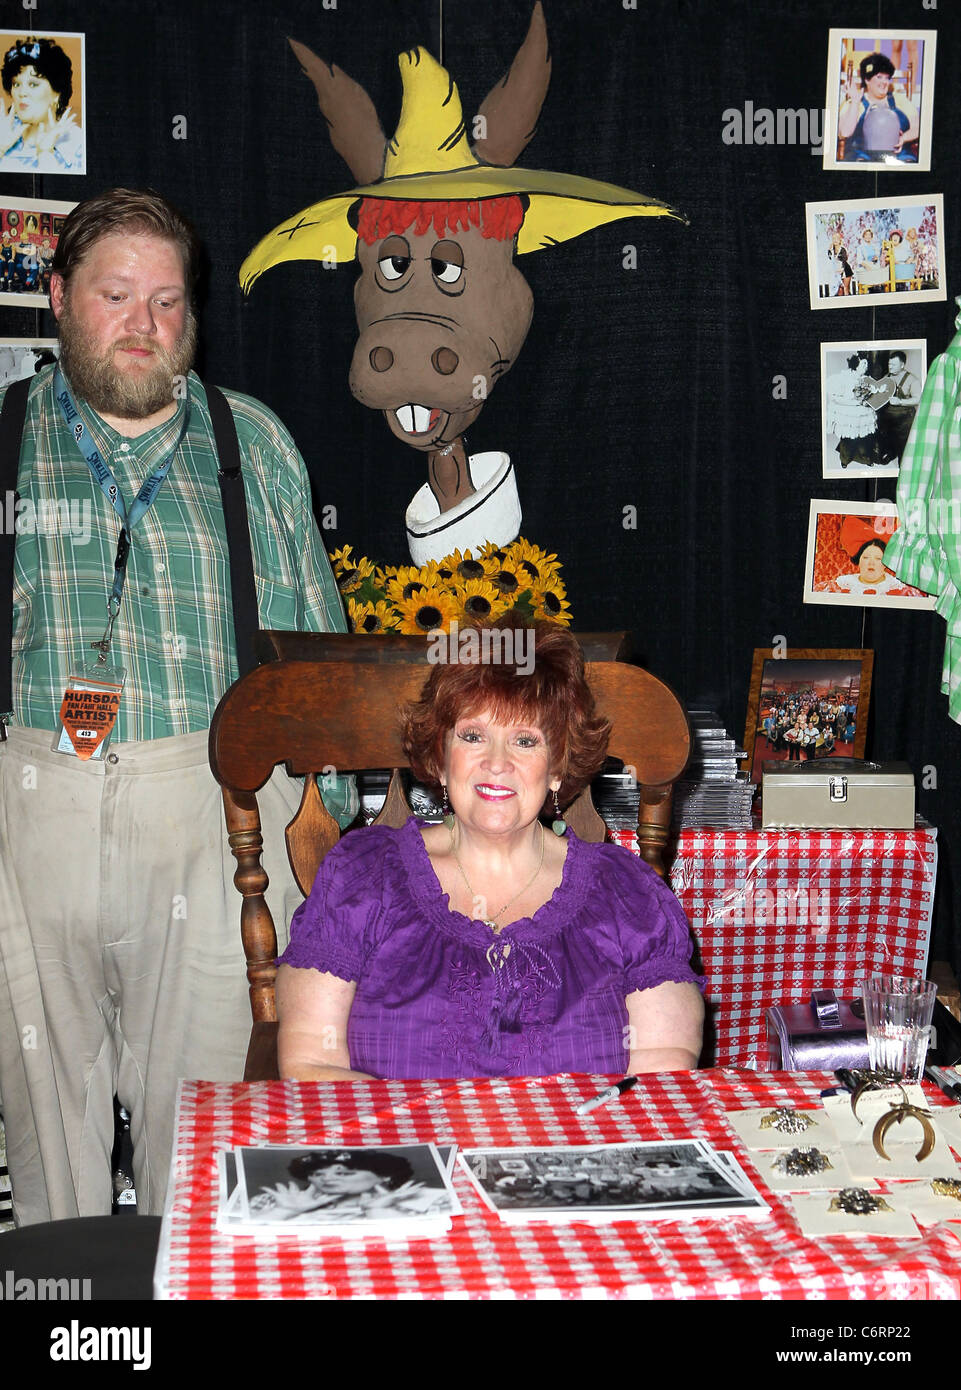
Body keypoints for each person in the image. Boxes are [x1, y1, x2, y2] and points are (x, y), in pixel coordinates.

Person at [0, 188, 356, 1226]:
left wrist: (325, 838)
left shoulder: (253, 443)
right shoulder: (6, 440)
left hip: (221, 821)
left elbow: (317, 662)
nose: (144, 324)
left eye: (165, 300)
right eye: (115, 295)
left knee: (207, 1134)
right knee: (42, 1127)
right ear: (59, 297)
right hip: (30, 815)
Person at [276, 618, 705, 1081]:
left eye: (525, 740)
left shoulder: (628, 893)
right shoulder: (363, 876)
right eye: (473, 736)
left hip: (577, 1152)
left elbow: (663, 1075)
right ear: (440, 758)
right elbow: (311, 1065)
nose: (497, 763)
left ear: (558, 767)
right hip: (402, 1151)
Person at [249, 1150, 441, 1221]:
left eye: (344, 1173)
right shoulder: (270, 1201)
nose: (327, 1179)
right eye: (317, 1173)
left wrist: (378, 1210)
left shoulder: (430, 1200)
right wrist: (284, 1210)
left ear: (384, 1176)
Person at [0, 36, 83, 173]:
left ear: (57, 93)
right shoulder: (3, 132)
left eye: (33, 84)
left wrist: (45, 153)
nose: (22, 93)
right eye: (16, 84)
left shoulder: (77, 144)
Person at [838, 52, 919, 163]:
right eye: (879, 77)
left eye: (886, 78)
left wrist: (903, 138)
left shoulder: (899, 100)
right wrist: (855, 102)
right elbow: (845, 133)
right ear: (867, 79)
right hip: (861, 157)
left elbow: (918, 127)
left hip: (898, 156)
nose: (884, 82)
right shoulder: (855, 102)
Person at [826, 353, 885, 468]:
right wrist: (854, 402)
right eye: (863, 364)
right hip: (848, 414)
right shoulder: (843, 378)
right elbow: (835, 398)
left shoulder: (866, 379)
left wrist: (878, 392)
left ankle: (865, 457)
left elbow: (874, 393)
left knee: (864, 437)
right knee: (847, 439)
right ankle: (845, 459)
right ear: (855, 365)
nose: (866, 367)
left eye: (867, 364)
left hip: (863, 413)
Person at [877, 350, 921, 464]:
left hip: (904, 421)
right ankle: (891, 453)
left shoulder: (912, 379)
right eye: (889, 364)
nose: (890, 367)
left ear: (902, 365)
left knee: (903, 446)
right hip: (888, 419)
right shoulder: (887, 377)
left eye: (893, 365)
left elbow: (918, 399)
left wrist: (900, 401)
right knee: (887, 439)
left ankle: (903, 464)